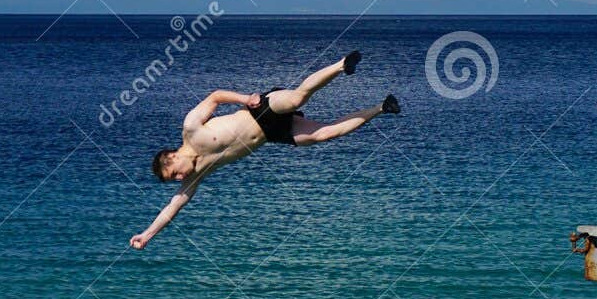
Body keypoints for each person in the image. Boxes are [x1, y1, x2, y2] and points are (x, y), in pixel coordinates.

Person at [130, 50, 399, 249]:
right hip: (271, 135)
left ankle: (342, 65)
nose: (179, 179)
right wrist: (147, 234)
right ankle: (382, 107)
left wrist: (245, 98)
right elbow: (173, 206)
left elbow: (215, 96)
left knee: (297, 98)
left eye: (174, 174)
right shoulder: (196, 175)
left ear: (172, 157)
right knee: (325, 134)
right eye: (175, 180)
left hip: (259, 111)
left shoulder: (190, 128)